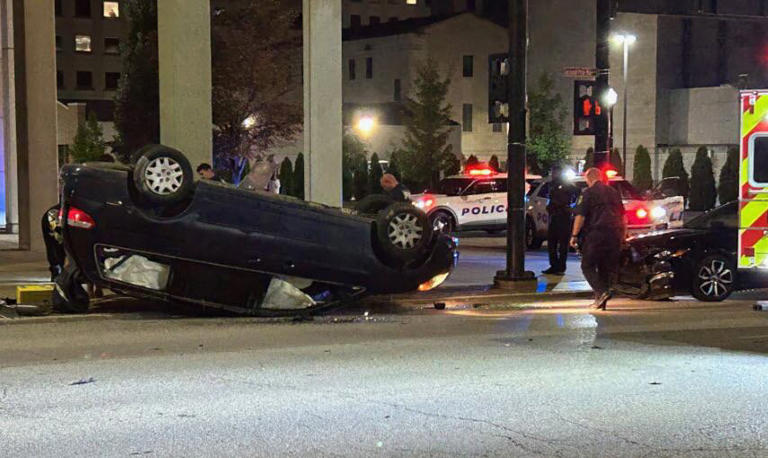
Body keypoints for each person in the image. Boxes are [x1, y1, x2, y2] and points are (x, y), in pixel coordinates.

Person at [570, 167, 626, 310]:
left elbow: (580, 215)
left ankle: (601, 292)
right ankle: (601, 300)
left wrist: (574, 235)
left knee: (587, 265)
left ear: (588, 178)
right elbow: (622, 215)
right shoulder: (614, 192)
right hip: (614, 234)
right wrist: (624, 234)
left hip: (596, 234)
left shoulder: (587, 193)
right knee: (604, 267)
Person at [543, 165, 575, 275]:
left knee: (563, 244)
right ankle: (554, 265)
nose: (552, 174)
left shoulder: (566, 185)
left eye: (554, 172)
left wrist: (564, 207)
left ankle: (561, 267)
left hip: (563, 217)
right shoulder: (552, 185)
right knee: (552, 243)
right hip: (554, 217)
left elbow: (566, 199)